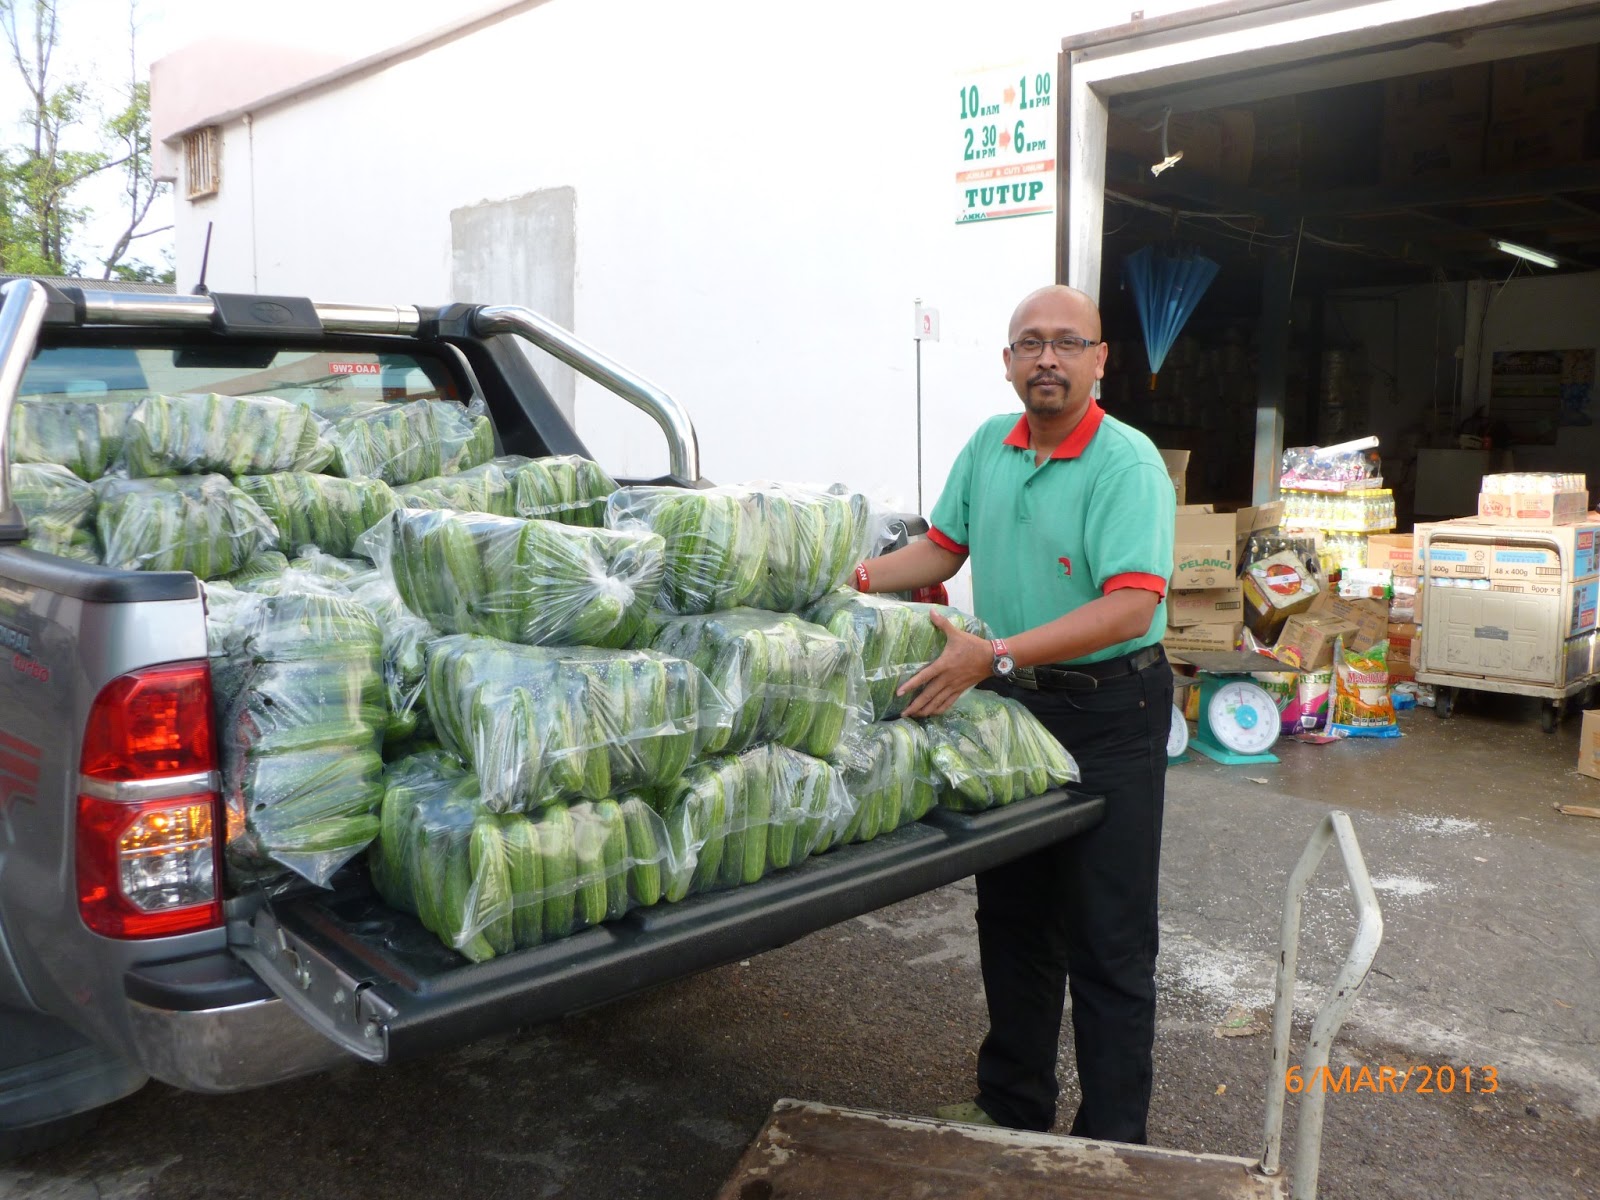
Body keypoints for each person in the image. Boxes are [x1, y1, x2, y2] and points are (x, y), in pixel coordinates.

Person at [853, 284, 1175, 1143]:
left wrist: (993, 656)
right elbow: (940, 550)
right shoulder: (988, 448)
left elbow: (1129, 608)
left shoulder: (1126, 463)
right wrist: (840, 581)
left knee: (1108, 938)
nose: (1047, 358)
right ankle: (1011, 1107)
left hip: (1111, 707)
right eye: (1030, 343)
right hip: (1013, 705)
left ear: (1100, 361)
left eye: (1069, 343)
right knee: (1015, 917)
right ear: (1006, 362)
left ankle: (1111, 1141)